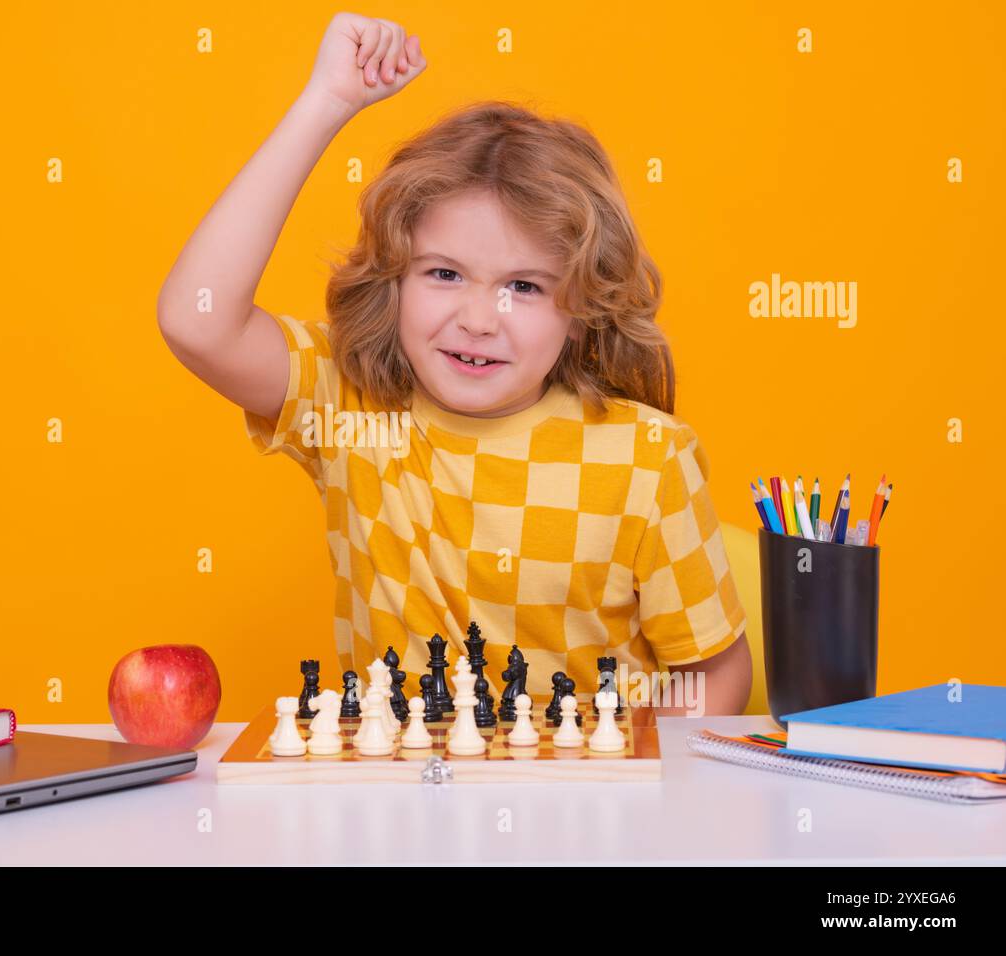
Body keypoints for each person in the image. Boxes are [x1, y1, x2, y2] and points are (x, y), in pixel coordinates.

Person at [158, 13, 751, 715]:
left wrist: (635, 787)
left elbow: (714, 674)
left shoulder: (649, 461)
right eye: (443, 274)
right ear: (394, 280)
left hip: (587, 806)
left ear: (582, 306)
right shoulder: (349, 407)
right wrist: (327, 101)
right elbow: (196, 321)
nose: (477, 319)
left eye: (523, 287)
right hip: (404, 801)